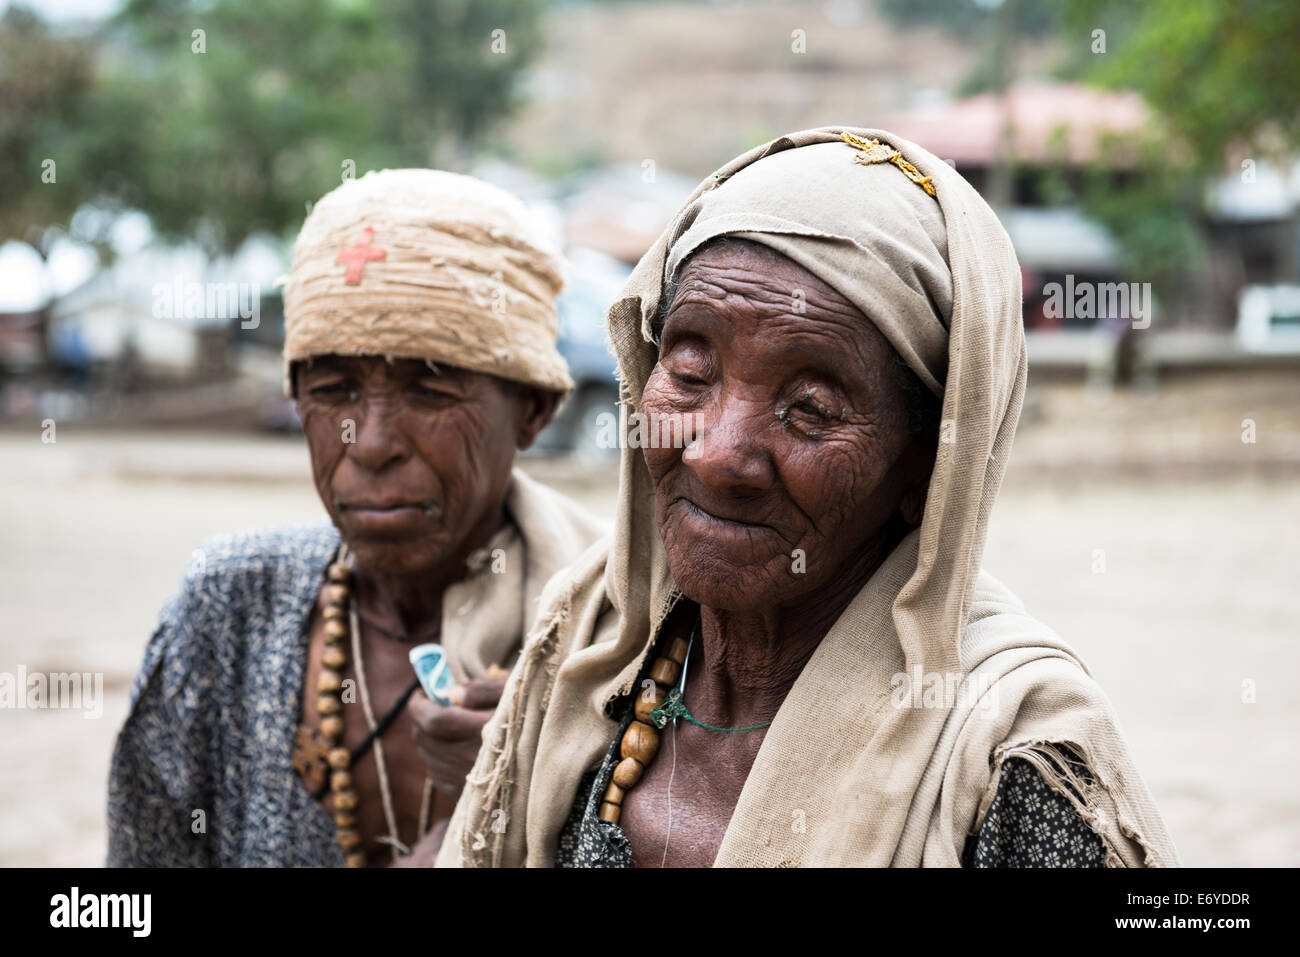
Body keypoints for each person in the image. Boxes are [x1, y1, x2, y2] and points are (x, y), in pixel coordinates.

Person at [437, 128, 1179, 868]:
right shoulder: (592, 644)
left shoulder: (1011, 752)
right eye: (691, 372)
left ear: (929, 468)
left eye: (811, 408)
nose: (719, 453)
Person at [108, 169, 606, 867]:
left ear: (533, 410)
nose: (369, 442)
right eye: (332, 389)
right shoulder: (231, 607)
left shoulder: (620, 639)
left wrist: (539, 789)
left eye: (429, 388)